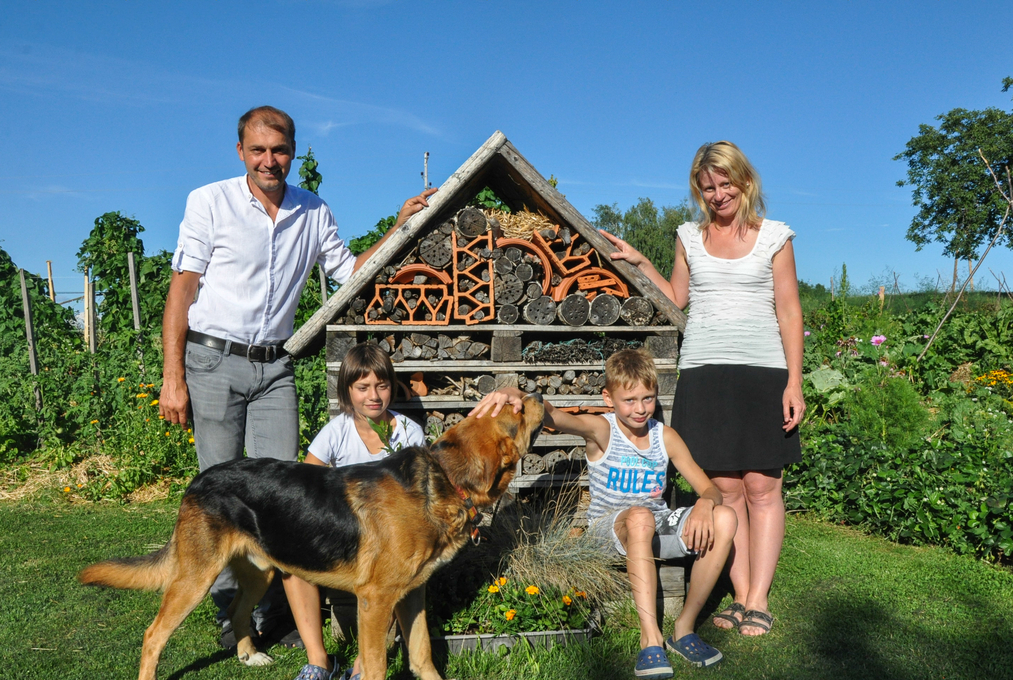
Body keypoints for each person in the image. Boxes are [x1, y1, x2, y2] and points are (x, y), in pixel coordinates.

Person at [158, 105, 435, 649]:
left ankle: (269, 608)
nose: (269, 160)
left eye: (279, 150)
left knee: (286, 491)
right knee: (223, 494)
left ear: (293, 152)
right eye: (258, 150)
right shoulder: (208, 201)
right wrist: (174, 375)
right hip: (212, 358)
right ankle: (232, 614)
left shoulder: (312, 210)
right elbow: (182, 291)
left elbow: (349, 271)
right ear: (241, 151)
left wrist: (398, 226)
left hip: (275, 365)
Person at [601, 141, 805, 637]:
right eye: (707, 187)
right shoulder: (688, 237)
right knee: (727, 491)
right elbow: (677, 298)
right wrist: (638, 261)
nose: (717, 194)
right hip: (704, 371)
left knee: (763, 487)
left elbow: (789, 310)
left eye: (725, 183)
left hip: (763, 372)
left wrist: (794, 381)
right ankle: (738, 594)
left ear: (744, 180)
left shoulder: (775, 236)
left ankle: (759, 598)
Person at [471, 349, 736, 677]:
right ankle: (649, 639)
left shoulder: (664, 437)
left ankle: (684, 628)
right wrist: (515, 394)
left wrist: (705, 505)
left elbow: (710, 489)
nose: (640, 409)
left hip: (652, 526)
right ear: (608, 398)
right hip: (607, 531)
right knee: (639, 517)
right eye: (630, 400)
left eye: (648, 398)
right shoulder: (601, 430)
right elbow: (552, 415)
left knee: (725, 518)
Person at [286, 343, 425, 680]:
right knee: (290, 563)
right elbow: (306, 483)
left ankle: (365, 664)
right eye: (362, 388)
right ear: (347, 392)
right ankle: (318, 660)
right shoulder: (336, 431)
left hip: (388, 541)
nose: (373, 396)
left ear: (392, 386)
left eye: (382, 385)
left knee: (393, 570)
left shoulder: (409, 432)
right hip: (342, 532)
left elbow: (420, 498)